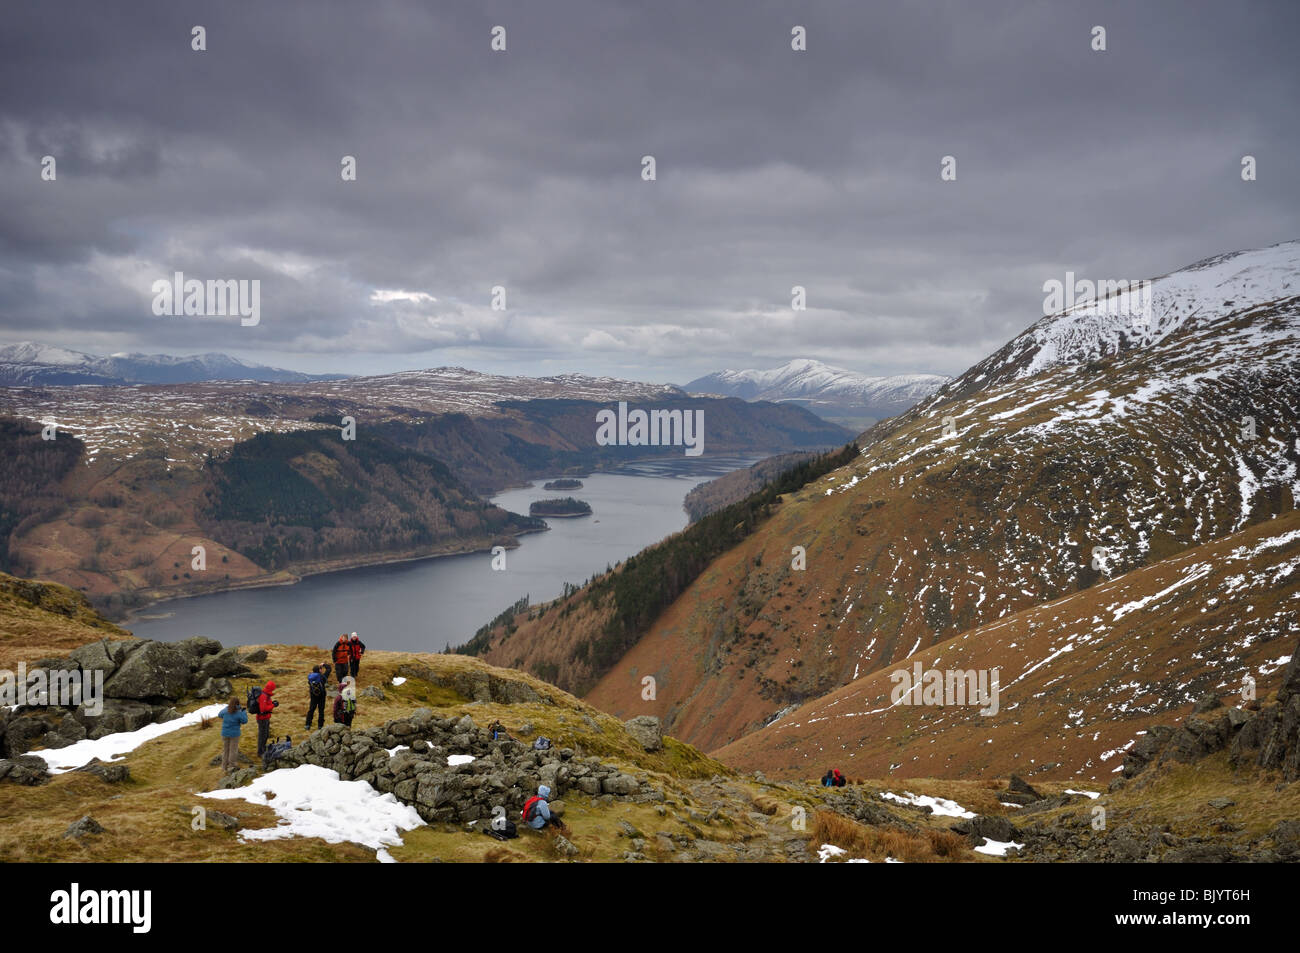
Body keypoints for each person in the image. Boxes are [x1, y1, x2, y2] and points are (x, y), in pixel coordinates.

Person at [217, 696, 247, 773]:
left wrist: (227, 707)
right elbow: (244, 721)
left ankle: (224, 766)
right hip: (234, 734)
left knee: (225, 750)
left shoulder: (226, 710)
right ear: (238, 703)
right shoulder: (239, 712)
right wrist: (244, 712)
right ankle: (232, 765)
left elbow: (219, 714)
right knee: (233, 750)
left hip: (224, 733)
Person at [255, 680, 278, 756]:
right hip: (262, 719)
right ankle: (260, 752)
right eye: (273, 689)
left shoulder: (266, 695)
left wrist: (272, 703)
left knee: (265, 734)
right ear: (271, 688)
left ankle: (262, 749)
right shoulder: (264, 696)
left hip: (265, 718)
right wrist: (273, 705)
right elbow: (263, 709)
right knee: (263, 735)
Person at [305, 665, 327, 731]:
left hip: (313, 695)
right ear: (319, 670)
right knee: (321, 710)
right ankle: (320, 726)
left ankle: (308, 724)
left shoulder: (310, 676)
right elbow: (325, 680)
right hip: (322, 695)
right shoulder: (321, 676)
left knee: (311, 709)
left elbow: (309, 683)